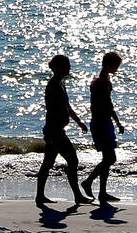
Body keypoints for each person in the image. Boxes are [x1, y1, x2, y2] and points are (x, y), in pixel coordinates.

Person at [35, 54, 91, 207]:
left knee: (48, 162)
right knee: (72, 159)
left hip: (56, 129)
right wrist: (54, 130)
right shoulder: (53, 85)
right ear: (59, 67)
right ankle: (77, 196)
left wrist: (78, 121)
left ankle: (40, 196)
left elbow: (67, 107)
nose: (70, 68)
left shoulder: (60, 83)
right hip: (54, 130)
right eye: (67, 65)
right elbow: (54, 108)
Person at [82, 51, 124, 203]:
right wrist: (117, 121)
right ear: (109, 65)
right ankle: (88, 181)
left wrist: (116, 122)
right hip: (101, 123)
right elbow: (106, 105)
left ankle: (102, 192)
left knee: (107, 158)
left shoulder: (104, 80)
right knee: (110, 158)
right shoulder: (100, 82)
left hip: (104, 122)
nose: (117, 69)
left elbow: (109, 105)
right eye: (116, 66)